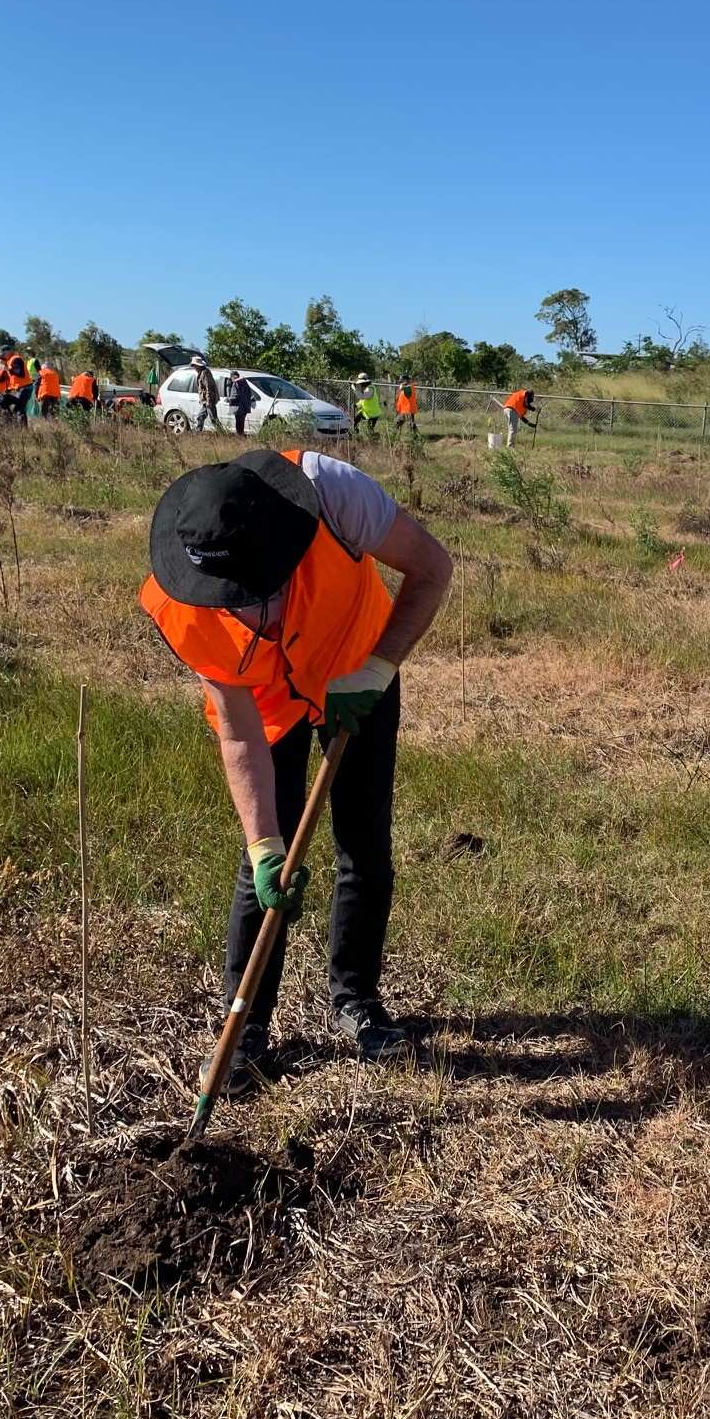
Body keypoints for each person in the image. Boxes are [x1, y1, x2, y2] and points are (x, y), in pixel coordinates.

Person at [138, 446, 456, 1083]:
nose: (249, 614)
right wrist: (262, 846)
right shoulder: (178, 603)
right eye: (231, 602)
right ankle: (247, 1025)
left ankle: (356, 1001)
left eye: (259, 594)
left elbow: (433, 568)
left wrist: (377, 668)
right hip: (267, 701)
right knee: (270, 850)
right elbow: (236, 733)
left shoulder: (335, 496)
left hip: (359, 664)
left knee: (364, 840)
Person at [192, 355, 220, 432]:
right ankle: (197, 432)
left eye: (194, 366)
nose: (194, 367)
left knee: (214, 419)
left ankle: (222, 434)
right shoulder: (201, 373)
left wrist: (209, 401)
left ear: (198, 366)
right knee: (200, 417)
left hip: (209, 400)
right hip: (205, 401)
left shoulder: (205, 373)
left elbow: (209, 388)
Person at [353, 374, 383, 440]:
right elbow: (362, 400)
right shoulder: (365, 388)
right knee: (355, 421)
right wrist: (357, 405)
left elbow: (362, 396)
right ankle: (356, 435)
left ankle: (376, 438)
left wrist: (355, 389)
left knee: (369, 430)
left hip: (373, 414)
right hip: (365, 412)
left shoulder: (371, 388)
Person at [231, 372, 256, 437]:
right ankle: (241, 435)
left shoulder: (235, 383)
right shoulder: (245, 383)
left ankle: (239, 436)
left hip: (238, 407)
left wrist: (229, 399)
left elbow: (235, 395)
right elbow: (249, 393)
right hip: (245, 406)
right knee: (242, 422)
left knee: (238, 423)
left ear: (232, 377)